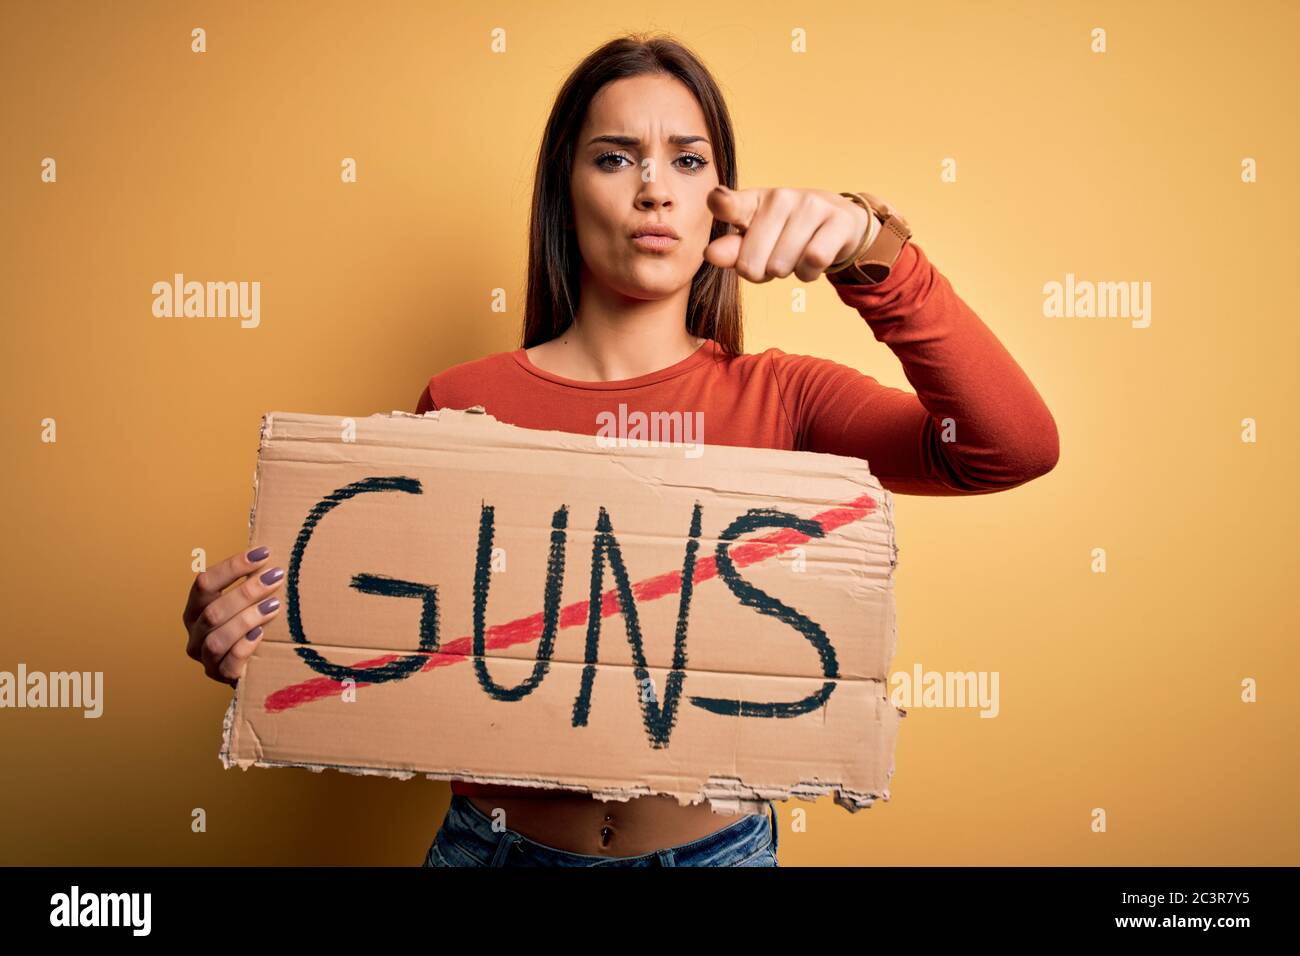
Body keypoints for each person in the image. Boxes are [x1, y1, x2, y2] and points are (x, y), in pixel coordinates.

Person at [181, 32, 1059, 867]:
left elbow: (1008, 447)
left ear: (722, 194)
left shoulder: (786, 398)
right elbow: (401, 651)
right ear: (565, 189)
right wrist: (268, 641)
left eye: (687, 159)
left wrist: (876, 254)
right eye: (614, 158)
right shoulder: (462, 403)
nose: (654, 190)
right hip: (494, 851)